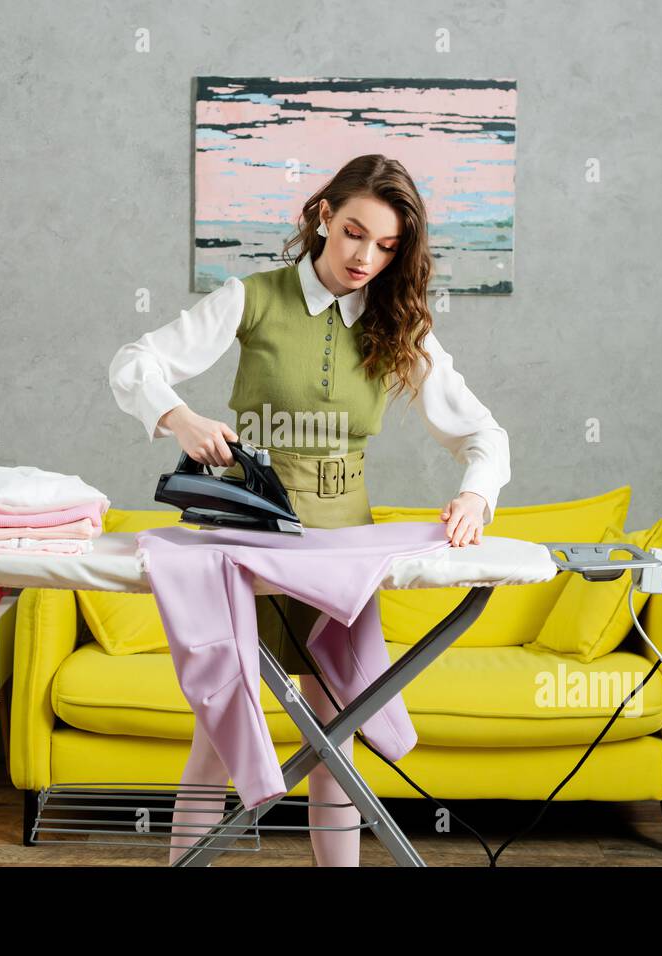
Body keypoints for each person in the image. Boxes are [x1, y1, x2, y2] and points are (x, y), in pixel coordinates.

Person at [108, 153, 511, 866]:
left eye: (387, 247)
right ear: (323, 215)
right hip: (247, 544)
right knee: (218, 734)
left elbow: (484, 433)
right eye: (355, 232)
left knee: (333, 739)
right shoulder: (251, 297)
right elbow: (135, 360)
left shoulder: (398, 324)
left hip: (343, 556)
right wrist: (176, 416)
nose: (365, 257)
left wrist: (478, 492)